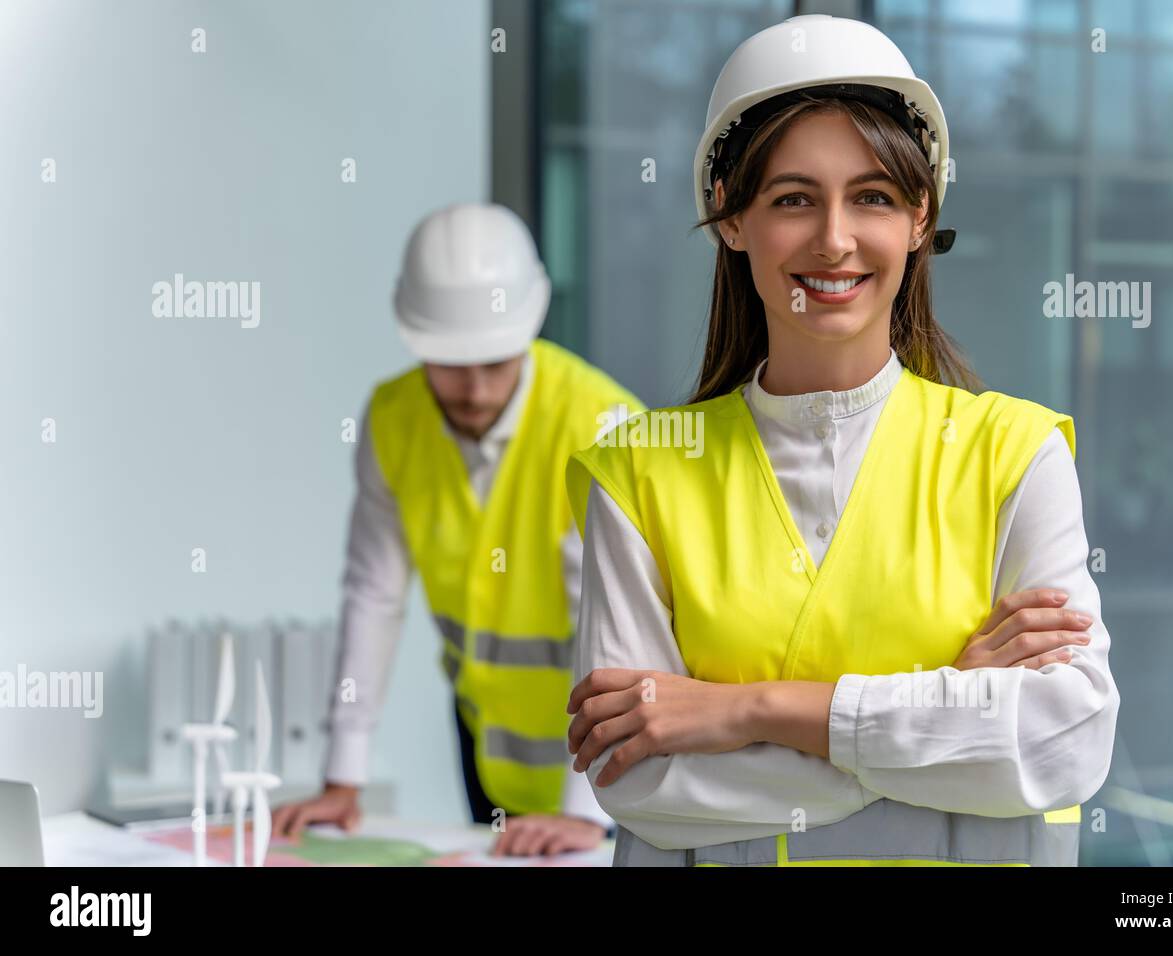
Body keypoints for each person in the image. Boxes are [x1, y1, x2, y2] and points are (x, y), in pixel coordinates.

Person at [563, 15, 1119, 866]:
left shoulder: (1015, 455)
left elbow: (1063, 745)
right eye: (793, 198)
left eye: (872, 197)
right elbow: (638, 779)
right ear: (729, 219)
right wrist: (950, 719)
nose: (834, 239)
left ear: (918, 219)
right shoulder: (641, 473)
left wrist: (742, 712)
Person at [272, 203, 641, 856]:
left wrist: (589, 807)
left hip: (613, 768)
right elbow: (373, 597)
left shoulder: (598, 425)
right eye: (448, 360)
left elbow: (615, 627)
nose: (473, 385)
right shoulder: (393, 418)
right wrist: (343, 776)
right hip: (490, 750)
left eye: (495, 360)